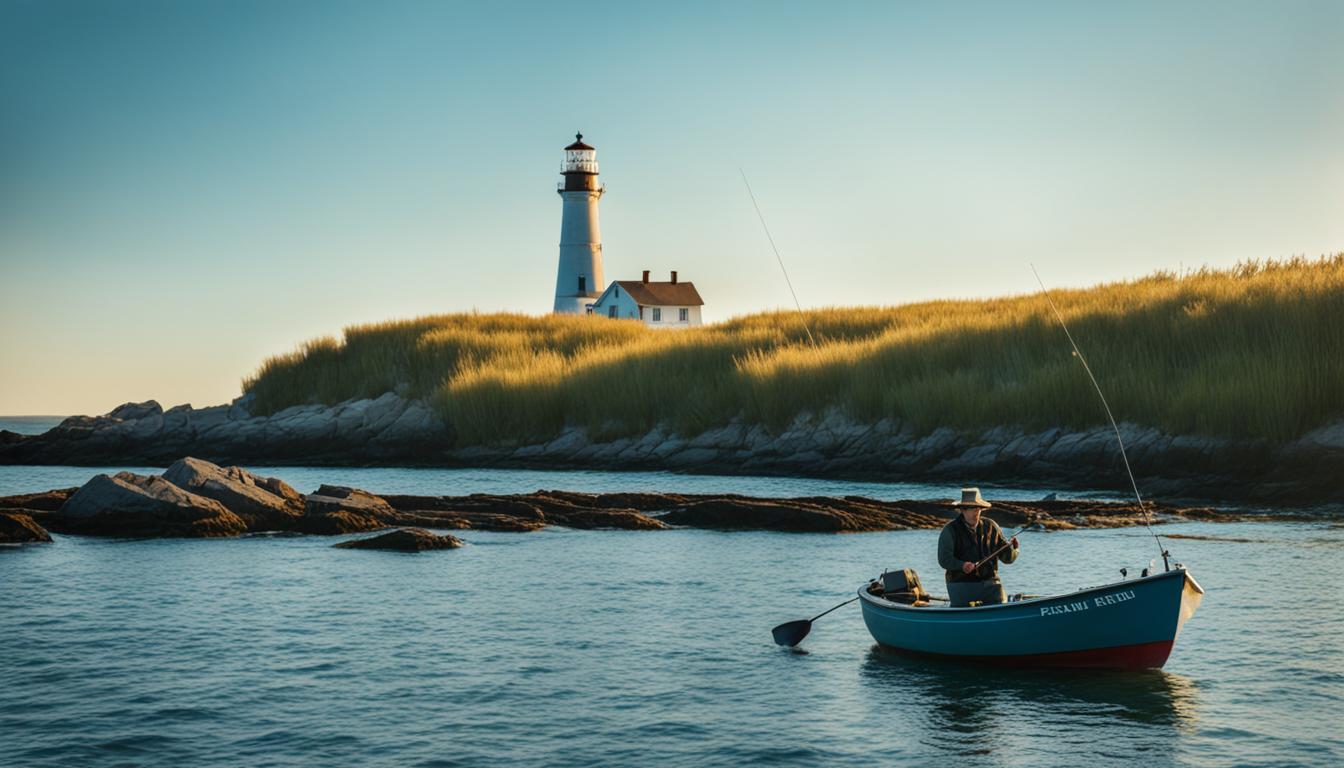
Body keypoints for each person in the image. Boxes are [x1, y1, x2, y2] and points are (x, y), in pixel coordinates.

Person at [937, 487, 1020, 607]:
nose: (976, 511)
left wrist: (1014, 549)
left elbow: (1007, 559)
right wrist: (962, 565)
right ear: (963, 510)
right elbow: (944, 560)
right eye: (972, 508)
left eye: (978, 508)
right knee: (963, 610)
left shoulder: (991, 526)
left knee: (1001, 605)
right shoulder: (949, 530)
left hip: (991, 584)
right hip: (960, 584)